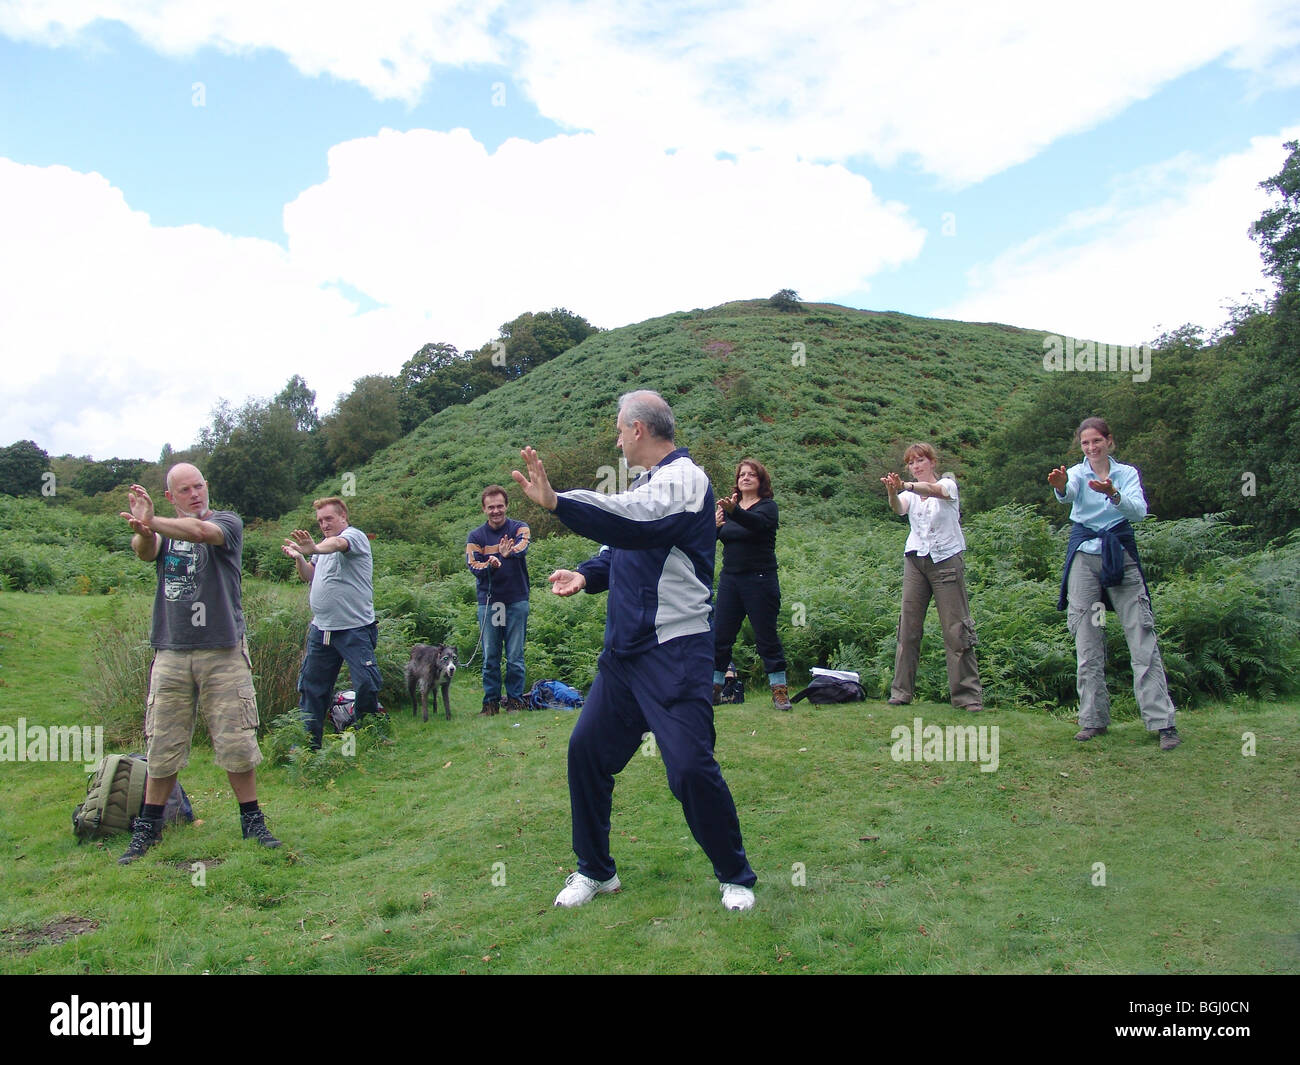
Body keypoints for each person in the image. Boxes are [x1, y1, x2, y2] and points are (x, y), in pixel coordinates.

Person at [512, 390, 758, 912]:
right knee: (586, 754)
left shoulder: (684, 479)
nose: (617, 438)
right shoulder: (648, 483)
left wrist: (558, 502)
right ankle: (596, 871)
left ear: (639, 429)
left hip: (674, 651)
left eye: (620, 430)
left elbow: (633, 519)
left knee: (690, 768)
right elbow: (620, 544)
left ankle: (735, 876)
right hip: (623, 657)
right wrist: (586, 573)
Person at [117, 464, 280, 864]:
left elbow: (201, 533)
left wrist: (151, 519)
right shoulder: (164, 529)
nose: (195, 494)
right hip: (171, 650)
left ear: (207, 487)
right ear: (171, 496)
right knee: (162, 741)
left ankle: (252, 821)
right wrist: (143, 531)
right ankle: (149, 828)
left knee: (236, 739)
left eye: (199, 486)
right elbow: (146, 552)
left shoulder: (227, 522)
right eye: (184, 490)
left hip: (222, 649)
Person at [1048, 417, 1180, 750]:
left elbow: (1138, 512)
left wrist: (1113, 494)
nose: (1091, 448)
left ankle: (1163, 723)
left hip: (1119, 552)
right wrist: (1061, 485)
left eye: (1096, 441)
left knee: (1140, 633)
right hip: (1084, 556)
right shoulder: (1077, 473)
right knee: (1086, 637)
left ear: (1109, 442)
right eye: (1085, 443)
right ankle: (1093, 719)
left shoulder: (1127, 474)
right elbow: (1070, 494)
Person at [881, 444, 983, 712]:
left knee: (956, 629)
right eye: (911, 462)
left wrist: (906, 485)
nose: (916, 466)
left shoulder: (947, 484)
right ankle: (901, 692)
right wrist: (893, 492)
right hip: (915, 560)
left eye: (920, 460)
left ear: (932, 462)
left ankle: (967, 697)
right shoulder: (910, 494)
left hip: (946, 560)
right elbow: (898, 508)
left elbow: (934, 491)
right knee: (908, 629)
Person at [281, 496, 382, 750]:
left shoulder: (353, 536)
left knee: (367, 684)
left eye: (329, 518)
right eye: (320, 521)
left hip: (354, 629)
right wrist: (299, 557)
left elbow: (338, 544)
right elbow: (309, 576)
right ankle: (307, 747)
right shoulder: (322, 546)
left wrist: (313, 548)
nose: (324, 524)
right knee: (312, 688)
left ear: (343, 517)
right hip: (321, 630)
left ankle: (368, 738)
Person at [713, 458, 791, 711]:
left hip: (760, 579)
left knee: (766, 637)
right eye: (741, 474)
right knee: (720, 637)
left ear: (761, 481)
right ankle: (713, 690)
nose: (745, 478)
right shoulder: (728, 509)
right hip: (730, 579)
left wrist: (734, 512)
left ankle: (779, 691)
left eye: (751, 475)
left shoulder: (768, 507)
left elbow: (756, 525)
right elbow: (718, 537)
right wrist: (714, 527)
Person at [466, 486, 531, 715]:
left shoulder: (519, 527)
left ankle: (515, 701)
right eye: (491, 507)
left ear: (507, 506)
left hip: (516, 601)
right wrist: (490, 564)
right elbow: (473, 564)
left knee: (515, 656)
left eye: (500, 506)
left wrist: (508, 553)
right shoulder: (476, 536)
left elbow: (523, 545)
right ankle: (490, 703)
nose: (496, 511)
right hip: (491, 602)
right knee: (491, 656)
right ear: (484, 509)